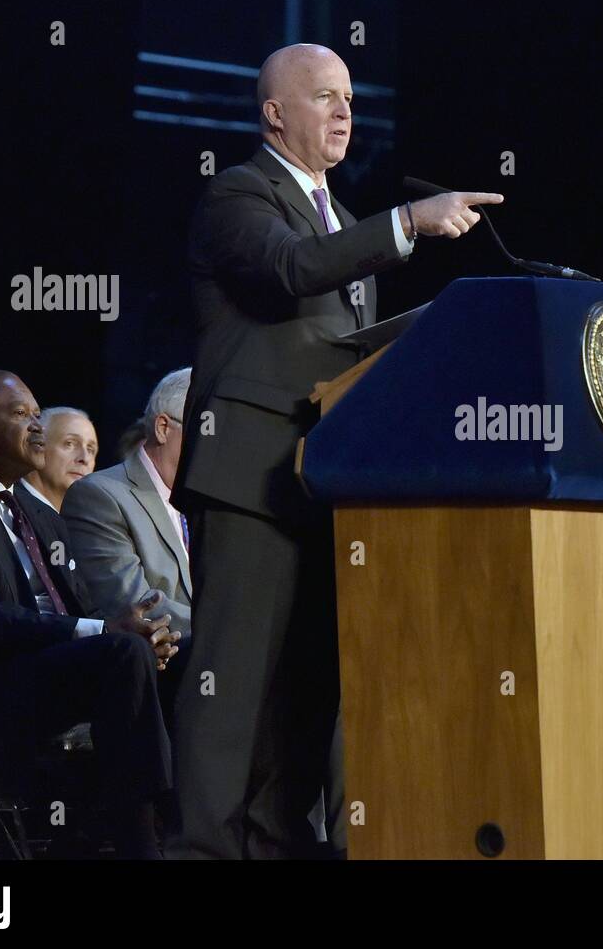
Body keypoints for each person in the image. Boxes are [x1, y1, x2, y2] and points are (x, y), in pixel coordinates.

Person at [169, 42, 504, 859]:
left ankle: (279, 844)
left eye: (351, 97)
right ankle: (203, 851)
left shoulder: (349, 226)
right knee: (233, 688)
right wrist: (408, 224)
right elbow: (290, 270)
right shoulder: (238, 194)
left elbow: (351, 351)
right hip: (249, 478)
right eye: (325, 96)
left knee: (306, 692)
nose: (345, 110)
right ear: (275, 113)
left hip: (325, 482)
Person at [0, 370, 181, 858]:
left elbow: (86, 605)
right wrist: (103, 632)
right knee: (122, 654)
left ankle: (200, 831)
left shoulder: (38, 511)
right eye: (20, 414)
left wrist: (144, 632)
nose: (37, 425)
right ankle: (139, 842)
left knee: (182, 658)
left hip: (50, 679)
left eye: (38, 414)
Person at [62, 368, 193, 710]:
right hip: (160, 677)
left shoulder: (207, 505)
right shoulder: (100, 495)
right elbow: (134, 606)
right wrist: (234, 635)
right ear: (164, 428)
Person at [21, 407, 99, 511]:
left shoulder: (88, 520)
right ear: (37, 446)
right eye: (69, 443)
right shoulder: (10, 510)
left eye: (90, 449)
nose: (84, 459)